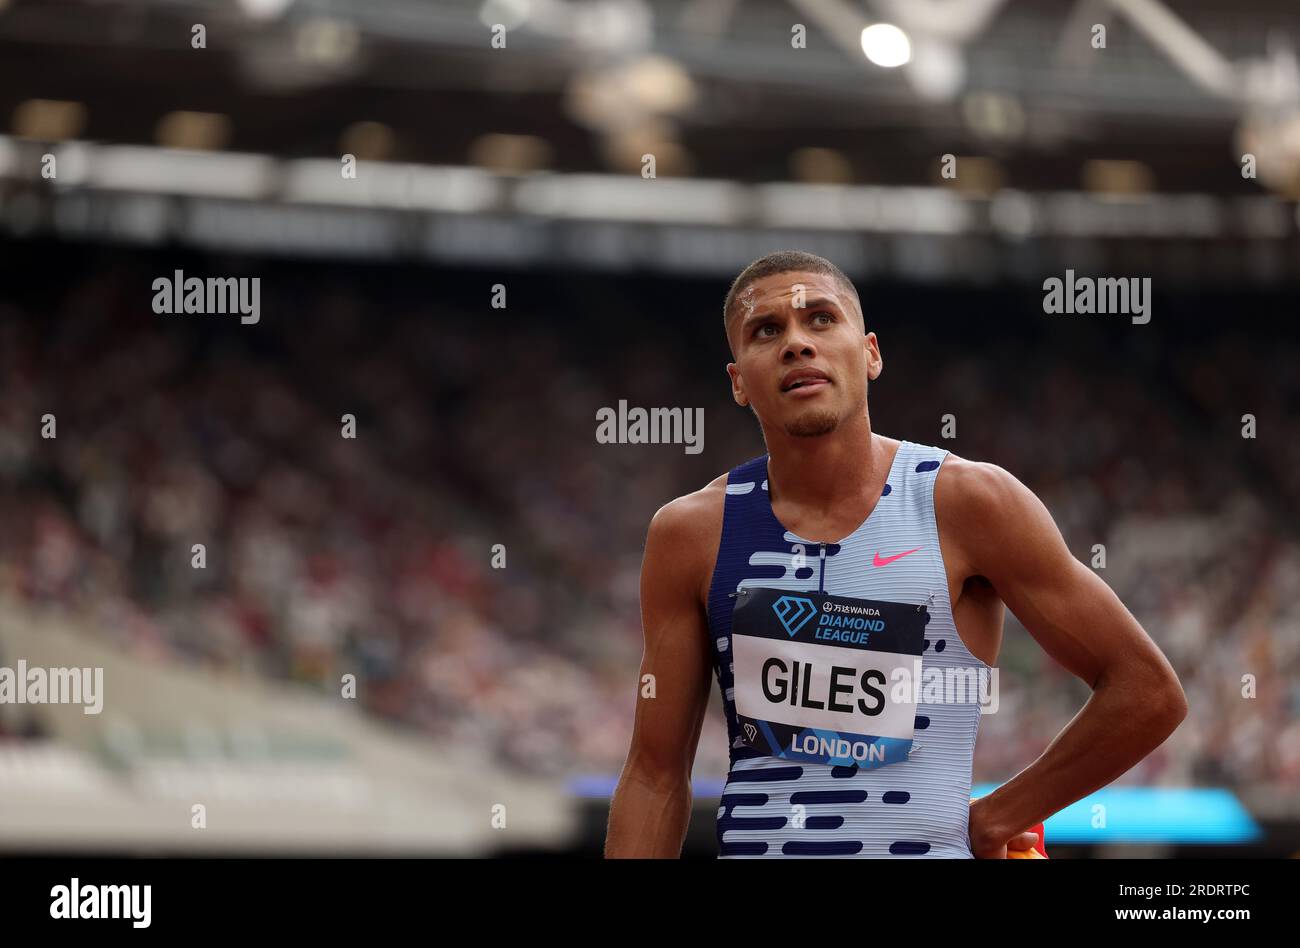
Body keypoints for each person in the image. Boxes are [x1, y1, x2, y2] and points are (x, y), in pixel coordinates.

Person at [604, 250, 1187, 858]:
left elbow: (1146, 691)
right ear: (738, 383)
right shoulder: (693, 533)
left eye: (822, 320)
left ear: (871, 352)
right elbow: (654, 775)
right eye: (766, 331)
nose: (797, 344)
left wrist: (999, 816)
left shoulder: (968, 503)